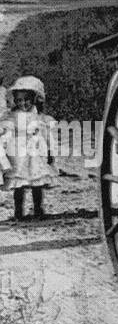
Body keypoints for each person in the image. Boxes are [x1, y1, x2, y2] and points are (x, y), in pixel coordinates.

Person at [0, 76, 57, 221]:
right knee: (19, 184)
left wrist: (50, 151)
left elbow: (45, 133)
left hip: (35, 153)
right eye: (19, 100)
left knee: (36, 182)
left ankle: (38, 209)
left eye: (26, 100)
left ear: (34, 99)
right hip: (18, 154)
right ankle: (18, 212)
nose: (23, 103)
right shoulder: (12, 116)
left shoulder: (39, 116)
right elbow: (7, 132)